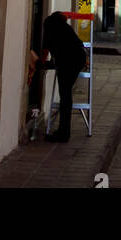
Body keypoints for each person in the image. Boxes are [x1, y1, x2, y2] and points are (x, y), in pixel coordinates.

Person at [42, 11, 87, 142]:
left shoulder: (49, 24)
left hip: (67, 62)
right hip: (78, 59)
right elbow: (79, 45)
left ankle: (63, 133)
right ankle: (63, 131)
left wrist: (42, 63)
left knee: (65, 96)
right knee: (66, 95)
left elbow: (46, 48)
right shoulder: (66, 27)